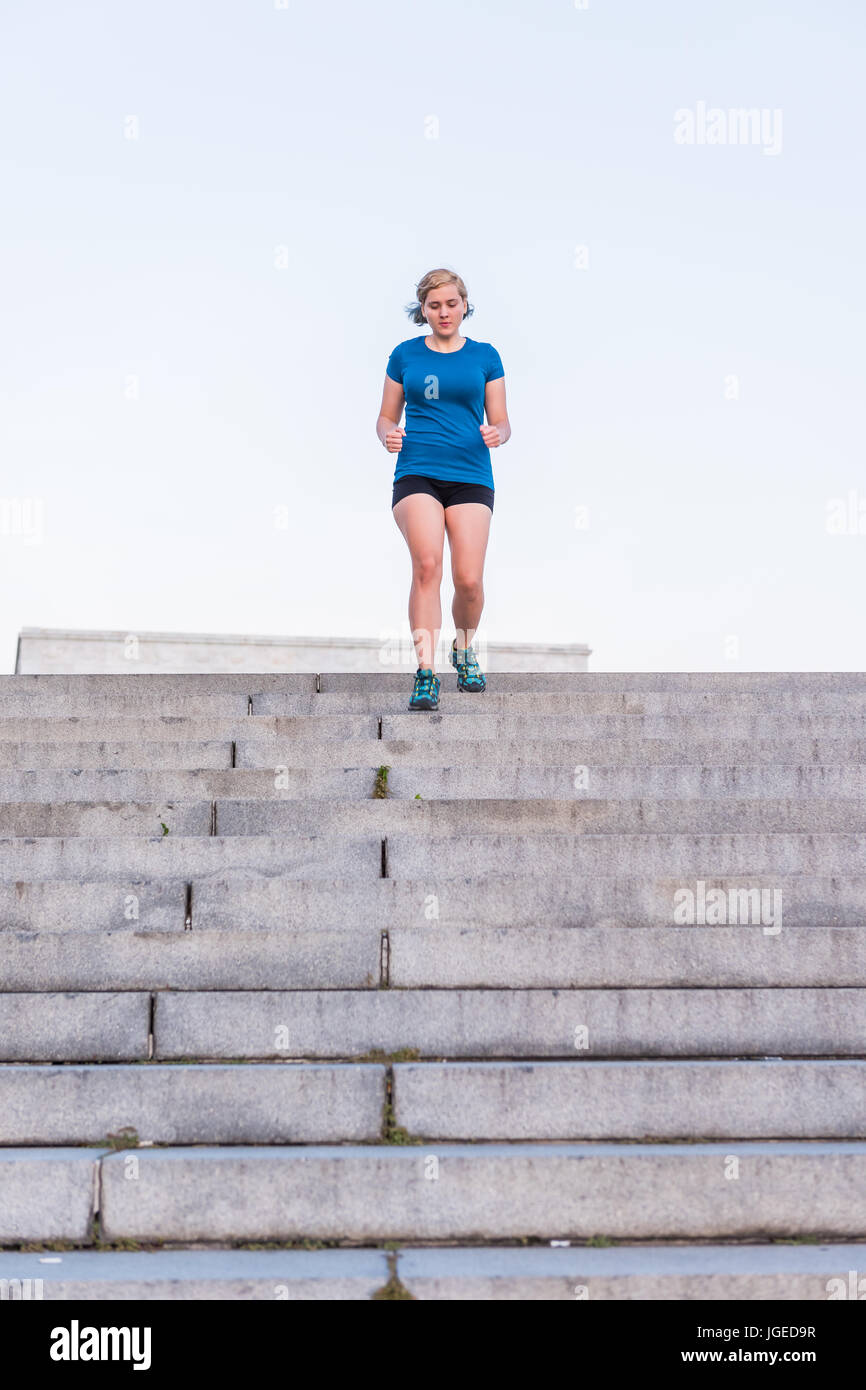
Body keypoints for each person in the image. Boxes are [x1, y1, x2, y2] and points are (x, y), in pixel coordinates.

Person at [377, 268, 510, 710]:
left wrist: (498, 433)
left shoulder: (486, 356)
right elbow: (385, 416)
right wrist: (388, 434)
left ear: (464, 305)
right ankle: (426, 672)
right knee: (427, 565)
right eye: (434, 305)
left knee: (468, 580)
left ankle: (464, 648)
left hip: (471, 473)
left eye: (451, 303)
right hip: (417, 470)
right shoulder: (405, 355)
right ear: (423, 310)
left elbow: (502, 419)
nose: (443, 312)